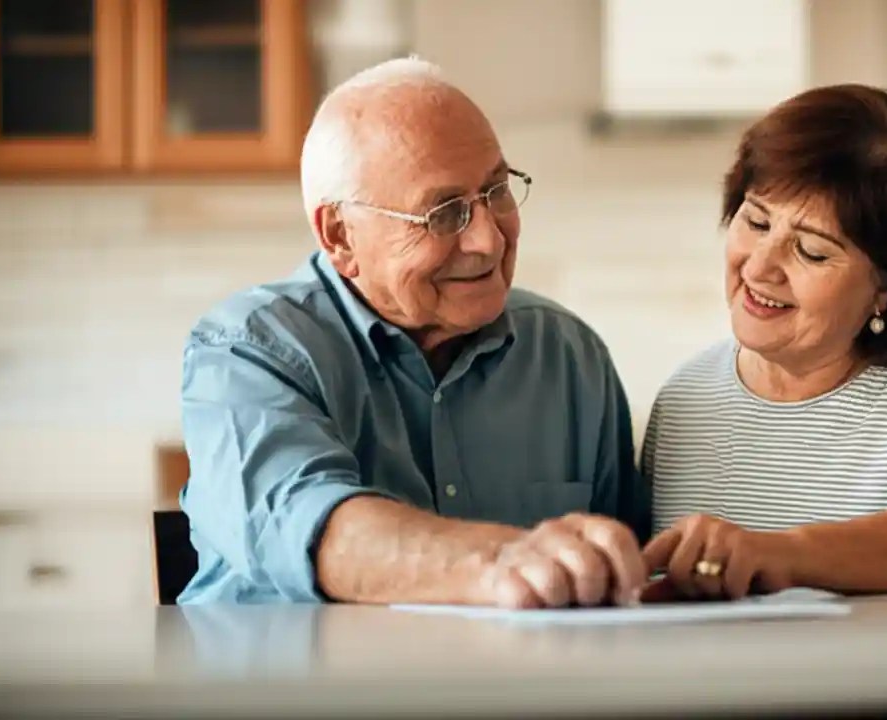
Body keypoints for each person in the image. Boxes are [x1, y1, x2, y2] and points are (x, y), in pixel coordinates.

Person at [178, 57, 649, 607]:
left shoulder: (570, 357)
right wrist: (503, 561)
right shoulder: (246, 351)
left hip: (511, 692)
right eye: (444, 213)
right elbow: (315, 529)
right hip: (293, 690)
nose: (488, 241)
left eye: (496, 191)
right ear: (340, 236)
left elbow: (624, 579)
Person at [640, 84, 887, 599]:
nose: (759, 267)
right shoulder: (686, 396)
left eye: (812, 252)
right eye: (756, 221)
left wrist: (777, 555)